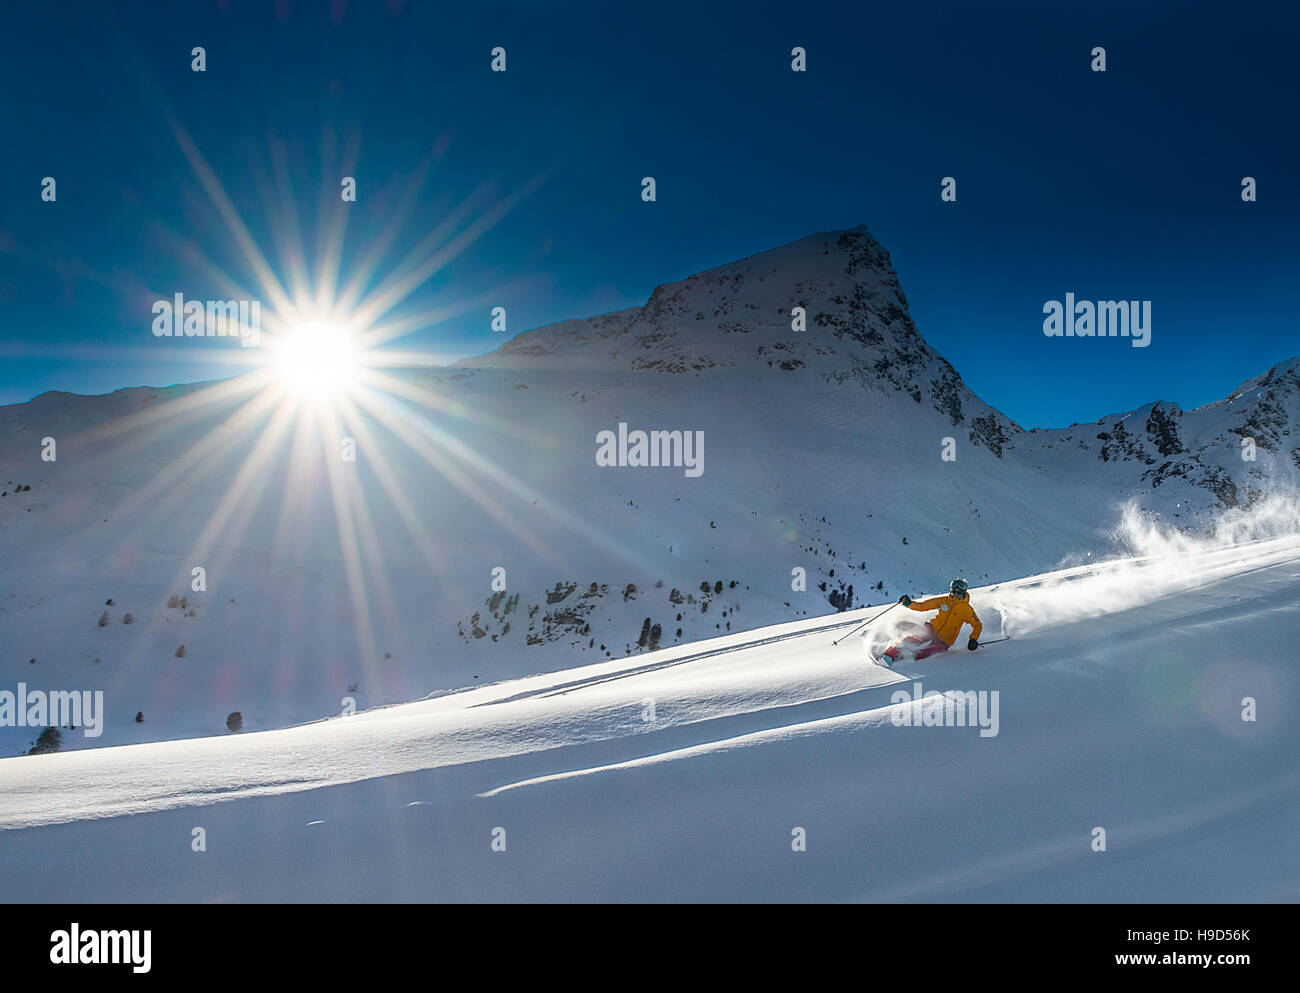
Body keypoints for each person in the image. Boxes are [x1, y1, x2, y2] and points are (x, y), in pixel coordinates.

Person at [880, 578, 983, 663]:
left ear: (963, 592)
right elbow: (923, 606)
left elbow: (977, 625)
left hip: (944, 640)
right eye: (953, 591)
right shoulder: (944, 601)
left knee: (927, 652)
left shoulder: (967, 610)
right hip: (932, 629)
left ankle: (904, 660)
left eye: (958, 592)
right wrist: (909, 603)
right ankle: (888, 654)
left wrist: (973, 639)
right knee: (909, 639)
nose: (955, 594)